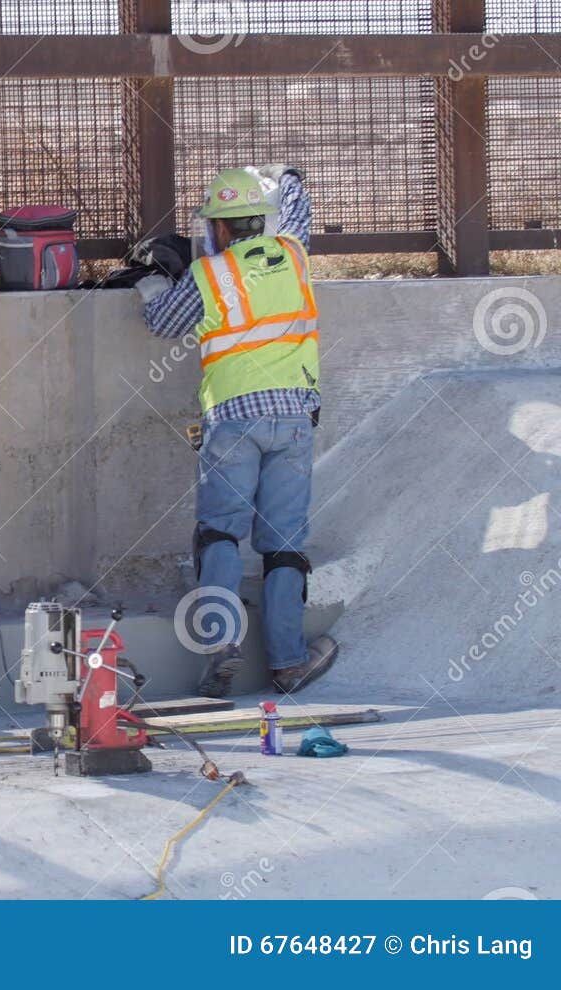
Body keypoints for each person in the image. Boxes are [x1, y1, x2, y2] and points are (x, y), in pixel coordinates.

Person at [136, 165, 338, 697]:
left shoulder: (209, 274)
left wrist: (154, 276)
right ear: (259, 220)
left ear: (220, 229)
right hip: (294, 416)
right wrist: (286, 175)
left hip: (231, 419)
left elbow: (161, 322)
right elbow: (298, 206)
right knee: (285, 544)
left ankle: (221, 647)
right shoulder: (294, 254)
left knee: (220, 531)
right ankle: (289, 664)